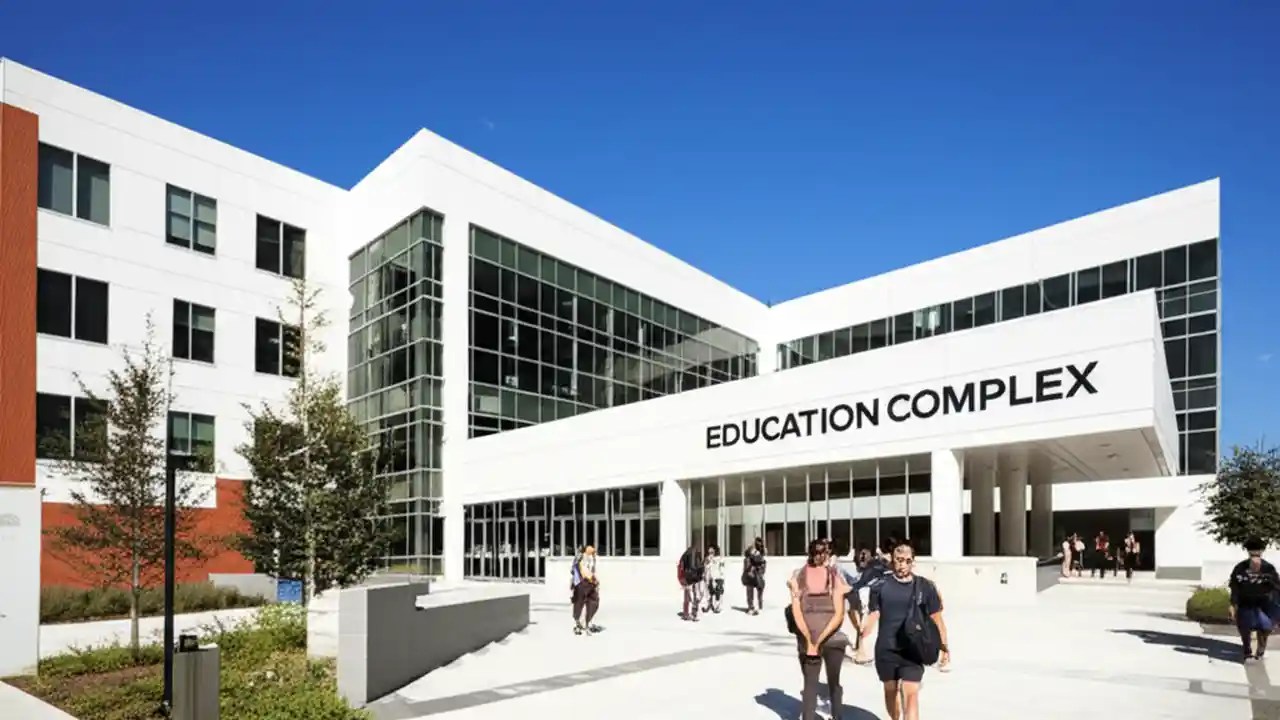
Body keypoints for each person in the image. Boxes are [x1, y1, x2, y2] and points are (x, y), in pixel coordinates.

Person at [860, 540, 949, 720]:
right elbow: (874, 613)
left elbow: (936, 618)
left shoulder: (925, 587)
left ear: (913, 561)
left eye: (907, 560)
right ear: (892, 560)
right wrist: (863, 637)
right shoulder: (880, 586)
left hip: (913, 648)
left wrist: (944, 647)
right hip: (886, 648)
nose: (903, 564)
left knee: (911, 694)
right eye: (899, 560)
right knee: (890, 692)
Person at [789, 539, 850, 720]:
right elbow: (839, 614)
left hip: (808, 639)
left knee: (810, 685)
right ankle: (836, 716)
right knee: (833, 683)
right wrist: (821, 638)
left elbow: (796, 612)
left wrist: (811, 640)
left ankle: (810, 716)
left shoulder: (798, 576)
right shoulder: (835, 577)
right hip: (832, 639)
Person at [1228, 537, 1280, 662]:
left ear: (1261, 552)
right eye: (1252, 551)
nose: (1255, 554)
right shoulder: (1240, 568)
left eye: (1257, 551)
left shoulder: (1268, 568)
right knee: (1245, 628)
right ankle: (1247, 651)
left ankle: (1261, 650)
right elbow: (1234, 587)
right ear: (1248, 552)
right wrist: (1232, 604)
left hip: (1264, 604)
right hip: (1245, 603)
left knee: (1266, 627)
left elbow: (1277, 586)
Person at [571, 545, 601, 635]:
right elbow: (584, 571)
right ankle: (580, 624)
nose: (595, 555)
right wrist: (594, 580)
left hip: (586, 583)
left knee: (589, 603)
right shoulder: (583, 558)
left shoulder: (590, 559)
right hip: (583, 583)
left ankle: (584, 623)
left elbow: (590, 571)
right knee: (582, 603)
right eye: (593, 553)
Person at [679, 545, 705, 621]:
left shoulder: (684, 555)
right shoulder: (695, 555)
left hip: (687, 578)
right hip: (694, 578)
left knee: (688, 596)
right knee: (695, 596)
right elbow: (697, 567)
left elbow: (681, 567)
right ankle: (693, 614)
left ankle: (687, 613)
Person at [743, 537, 767, 615]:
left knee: (760, 589)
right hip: (751, 574)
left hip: (758, 573)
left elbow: (761, 561)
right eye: (757, 542)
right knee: (750, 589)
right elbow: (747, 555)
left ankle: (759, 606)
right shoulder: (750, 552)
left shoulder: (762, 551)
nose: (758, 544)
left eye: (760, 542)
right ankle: (751, 607)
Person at [704, 544, 726, 613]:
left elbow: (722, 568)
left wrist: (721, 577)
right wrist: (709, 562)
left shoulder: (720, 558)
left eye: (712, 552)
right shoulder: (708, 558)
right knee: (709, 592)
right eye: (709, 552)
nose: (710, 553)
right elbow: (706, 567)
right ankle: (709, 605)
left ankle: (717, 606)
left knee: (718, 592)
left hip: (718, 577)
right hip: (710, 577)